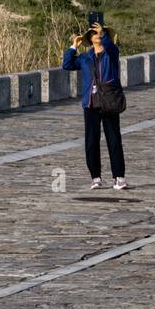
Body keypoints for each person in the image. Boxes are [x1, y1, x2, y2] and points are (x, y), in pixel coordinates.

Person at [62, 19, 128, 190]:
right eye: (94, 33)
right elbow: (67, 65)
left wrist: (104, 34)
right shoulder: (85, 58)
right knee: (91, 142)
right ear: (90, 38)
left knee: (113, 140)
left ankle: (119, 177)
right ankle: (95, 177)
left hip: (109, 102)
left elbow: (112, 47)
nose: (98, 35)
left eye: (100, 32)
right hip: (91, 103)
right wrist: (73, 47)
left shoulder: (111, 53)